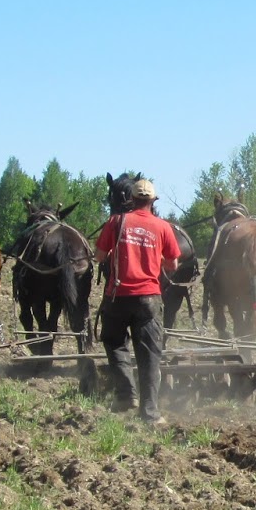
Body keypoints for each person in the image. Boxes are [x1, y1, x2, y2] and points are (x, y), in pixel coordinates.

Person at [94, 177, 180, 425]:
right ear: (153, 201)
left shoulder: (116, 221)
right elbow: (172, 264)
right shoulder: (163, 227)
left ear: (131, 199)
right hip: (148, 298)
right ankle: (150, 413)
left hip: (117, 296)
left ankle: (125, 395)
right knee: (150, 354)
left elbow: (100, 257)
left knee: (114, 343)